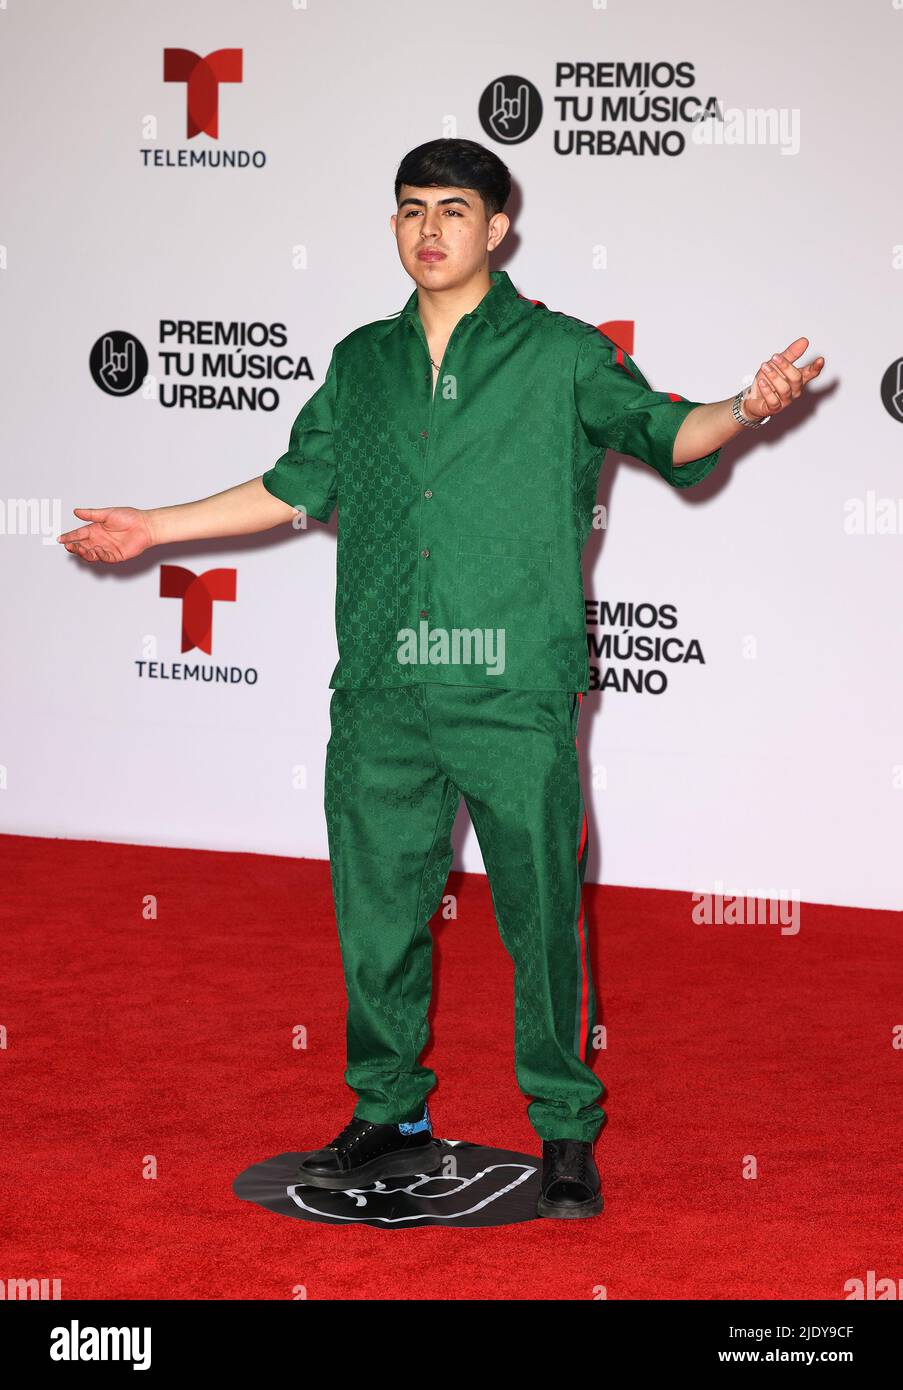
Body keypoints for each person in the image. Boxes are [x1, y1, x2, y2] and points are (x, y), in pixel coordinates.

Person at [58, 137, 824, 1220]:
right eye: (412, 209)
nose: (431, 229)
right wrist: (154, 528)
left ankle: (562, 1129)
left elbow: (668, 433)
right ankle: (388, 1110)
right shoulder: (360, 361)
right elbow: (292, 486)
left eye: (455, 210)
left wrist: (747, 408)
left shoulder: (562, 354)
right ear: (393, 225)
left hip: (511, 691)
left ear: (498, 229)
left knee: (542, 915)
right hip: (380, 689)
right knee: (375, 915)